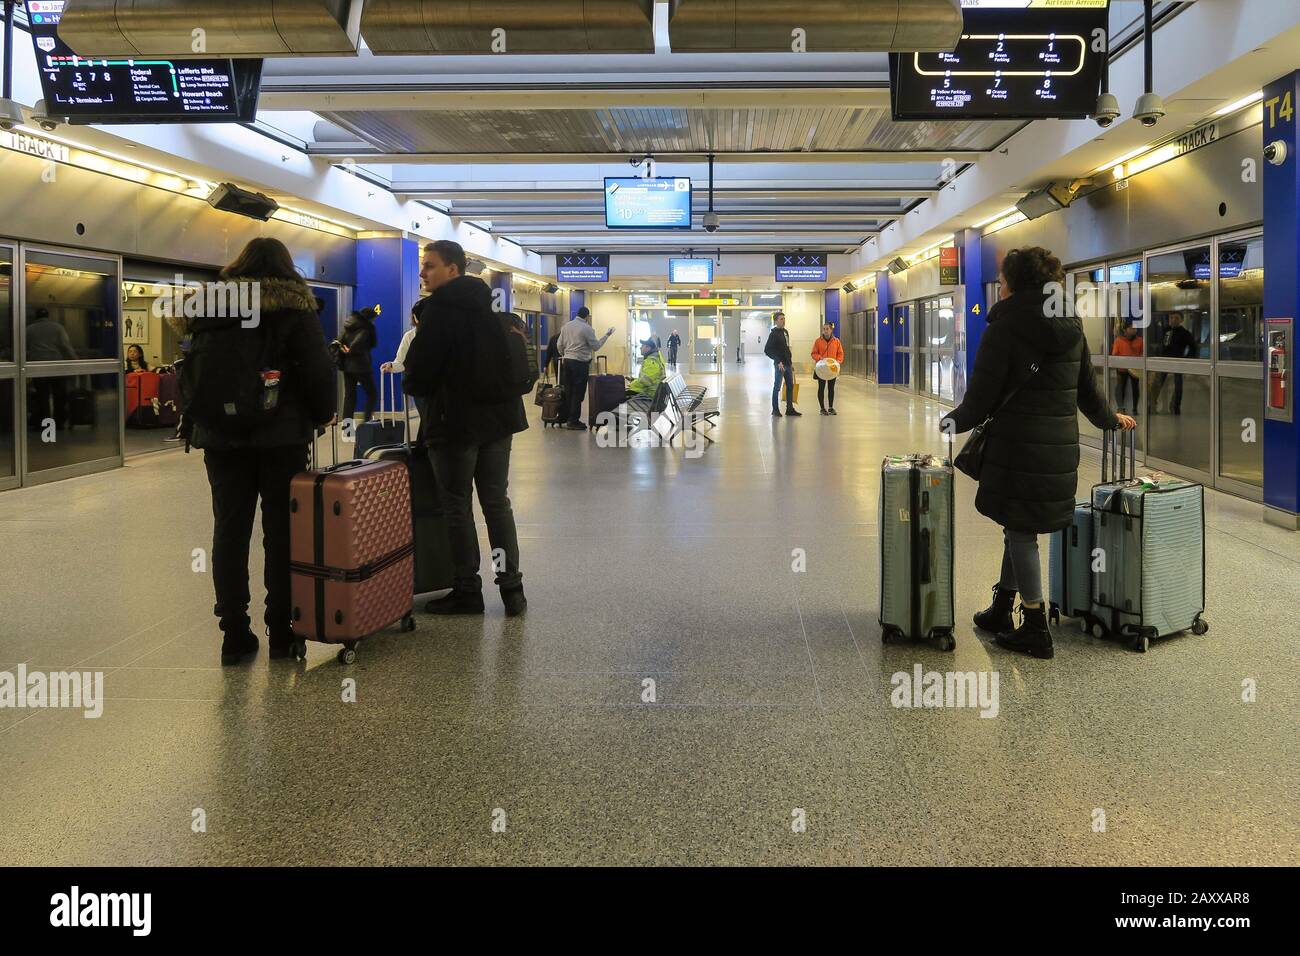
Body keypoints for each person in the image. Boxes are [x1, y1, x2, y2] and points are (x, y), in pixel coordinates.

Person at [941, 247, 1136, 660]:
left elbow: (980, 397)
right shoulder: (1071, 325)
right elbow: (1088, 391)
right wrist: (1109, 419)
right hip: (1058, 450)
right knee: (1018, 526)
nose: (1000, 286)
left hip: (1018, 448)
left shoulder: (1005, 327)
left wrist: (950, 423)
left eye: (1002, 280)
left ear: (1015, 283)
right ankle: (1002, 607)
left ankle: (1034, 625)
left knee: (1020, 532)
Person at [187, 238, 337, 665]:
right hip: (281, 436)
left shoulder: (209, 306)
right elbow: (317, 369)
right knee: (281, 531)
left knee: (229, 530)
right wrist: (324, 413)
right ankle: (283, 632)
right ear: (287, 268)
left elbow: (194, 370)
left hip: (220, 436)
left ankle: (234, 633)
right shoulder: (294, 306)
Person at [402, 239, 527, 617]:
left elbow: (418, 375)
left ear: (452, 269)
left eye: (430, 265)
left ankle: (468, 590)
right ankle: (512, 589)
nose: (422, 272)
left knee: (457, 507)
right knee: (497, 504)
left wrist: (419, 384)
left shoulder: (438, 312)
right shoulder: (489, 310)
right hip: (498, 423)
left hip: (455, 426)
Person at [556, 306, 615, 430]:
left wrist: (565, 354)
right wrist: (607, 335)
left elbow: (559, 344)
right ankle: (573, 421)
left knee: (568, 390)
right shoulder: (587, 329)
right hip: (580, 364)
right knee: (578, 392)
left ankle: (567, 417)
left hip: (567, 362)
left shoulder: (566, 327)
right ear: (587, 316)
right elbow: (596, 346)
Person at [26, 308, 77, 429]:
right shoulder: (58, 327)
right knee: (59, 395)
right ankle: (59, 423)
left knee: (42, 396)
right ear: (48, 316)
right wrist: (75, 360)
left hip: (38, 366)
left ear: (36, 316)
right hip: (56, 365)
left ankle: (45, 423)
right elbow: (65, 346)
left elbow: (24, 348)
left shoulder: (29, 329)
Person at [338, 307, 378, 423]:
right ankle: (366, 424)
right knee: (372, 394)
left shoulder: (348, 326)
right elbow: (358, 344)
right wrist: (352, 350)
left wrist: (347, 351)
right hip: (361, 366)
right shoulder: (366, 328)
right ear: (370, 318)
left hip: (347, 366)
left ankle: (347, 429)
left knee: (350, 396)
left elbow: (339, 342)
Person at [1151, 313, 1196, 415]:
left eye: (1176, 318)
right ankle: (1152, 405)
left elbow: (1193, 347)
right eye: (1171, 318)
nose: (1173, 320)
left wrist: (1186, 359)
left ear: (1181, 320)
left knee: (1178, 386)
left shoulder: (1184, 333)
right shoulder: (1165, 330)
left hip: (1177, 362)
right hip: (1164, 361)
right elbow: (1160, 345)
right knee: (1157, 384)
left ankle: (1175, 407)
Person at [764, 311, 801, 417]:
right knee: (777, 387)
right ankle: (775, 410)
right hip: (779, 365)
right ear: (776, 321)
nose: (783, 321)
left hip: (788, 364)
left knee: (790, 386)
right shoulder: (773, 334)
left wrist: (790, 362)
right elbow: (767, 350)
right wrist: (778, 361)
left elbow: (786, 348)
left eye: (784, 319)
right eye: (781, 319)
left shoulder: (785, 332)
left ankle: (789, 409)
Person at [810, 322, 845, 416]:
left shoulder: (836, 341)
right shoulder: (818, 341)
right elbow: (813, 353)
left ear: (831, 330)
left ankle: (830, 407)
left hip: (832, 369)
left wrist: (838, 361)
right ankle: (822, 408)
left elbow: (840, 353)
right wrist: (819, 358)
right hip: (821, 369)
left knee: (831, 388)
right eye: (824, 329)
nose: (825, 331)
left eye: (827, 329)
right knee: (821, 388)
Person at [1110, 319, 1143, 413]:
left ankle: (1135, 408)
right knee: (1121, 388)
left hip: (1135, 368)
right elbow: (1114, 354)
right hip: (1122, 369)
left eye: (1135, 328)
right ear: (1125, 330)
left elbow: (1142, 353)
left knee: (1135, 388)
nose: (1134, 330)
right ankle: (1121, 407)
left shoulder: (1140, 340)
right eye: (1131, 328)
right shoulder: (1119, 340)